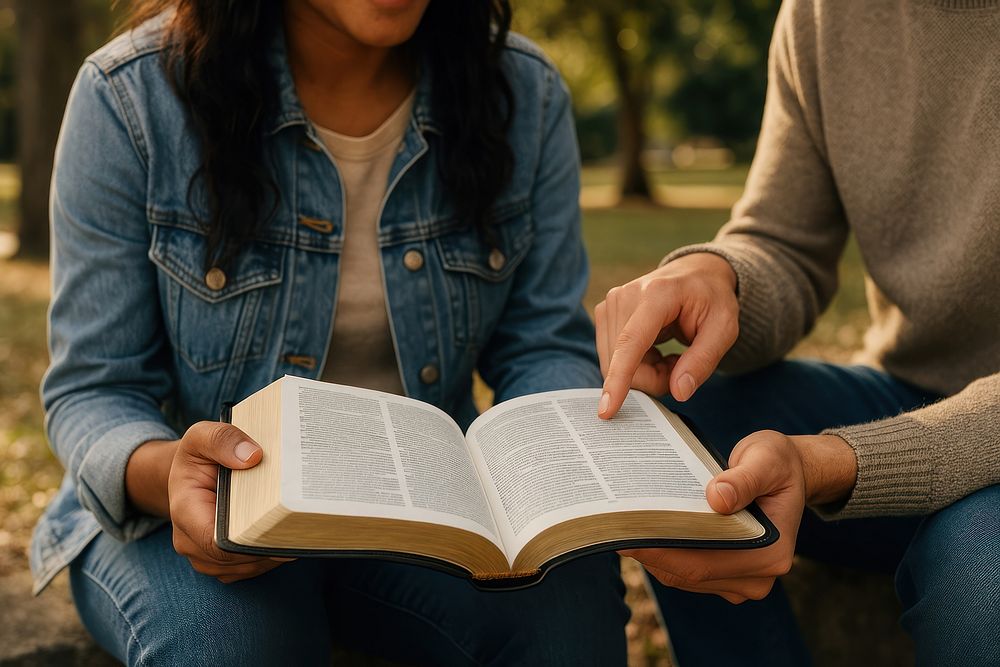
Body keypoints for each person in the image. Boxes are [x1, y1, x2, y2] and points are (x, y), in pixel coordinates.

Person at [30, 0, 631, 664]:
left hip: (423, 515)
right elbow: (96, 389)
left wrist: (555, 478)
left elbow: (542, 344)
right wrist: (175, 473)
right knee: (234, 645)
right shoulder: (131, 96)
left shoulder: (522, 91)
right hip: (181, 509)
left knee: (569, 606)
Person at [594, 1, 1000, 665]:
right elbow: (785, 238)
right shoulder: (825, 13)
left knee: (981, 579)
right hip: (909, 392)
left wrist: (832, 463)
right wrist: (717, 277)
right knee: (673, 430)